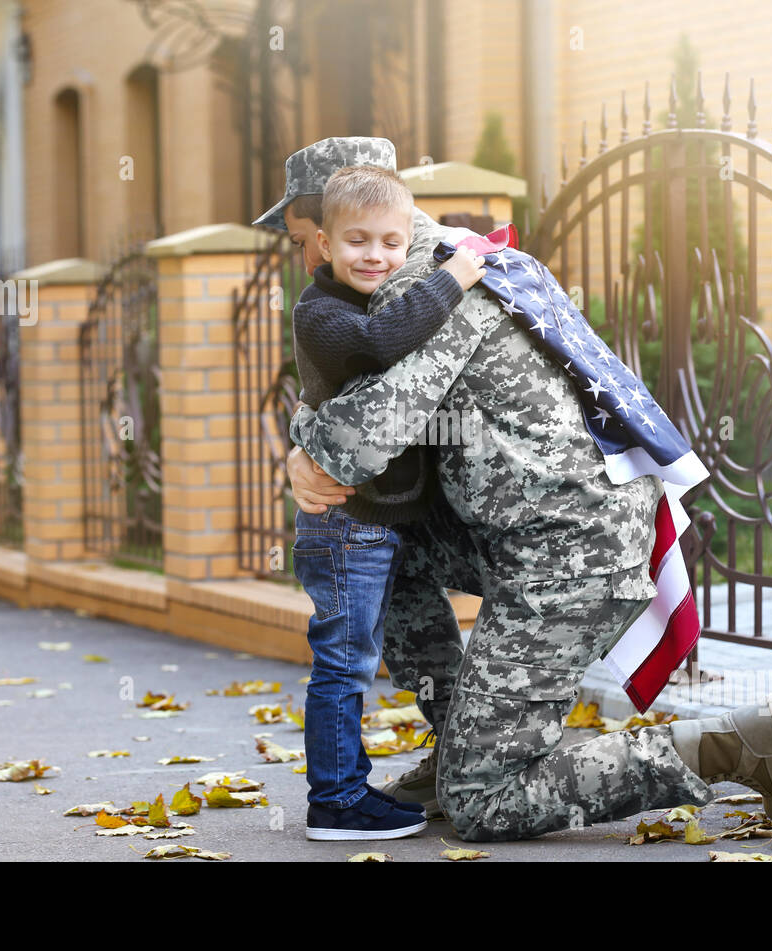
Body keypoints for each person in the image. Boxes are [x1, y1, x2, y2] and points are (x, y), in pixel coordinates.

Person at [260, 137, 772, 842]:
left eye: (302, 239)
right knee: (385, 544)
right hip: (529, 531)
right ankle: (460, 741)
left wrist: (303, 453)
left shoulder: (429, 289)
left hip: (570, 556)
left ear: (329, 217)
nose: (307, 260)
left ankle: (731, 743)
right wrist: (312, 444)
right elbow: (367, 446)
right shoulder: (451, 258)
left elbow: (357, 444)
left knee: (483, 806)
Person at [287, 163, 486, 840]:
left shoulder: (373, 296)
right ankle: (337, 800)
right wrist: (455, 277)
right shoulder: (323, 314)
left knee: (368, 651)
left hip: (376, 523)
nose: (375, 255)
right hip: (346, 522)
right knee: (345, 658)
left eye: (391, 243)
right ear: (322, 243)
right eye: (357, 240)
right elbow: (381, 345)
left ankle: (366, 784)